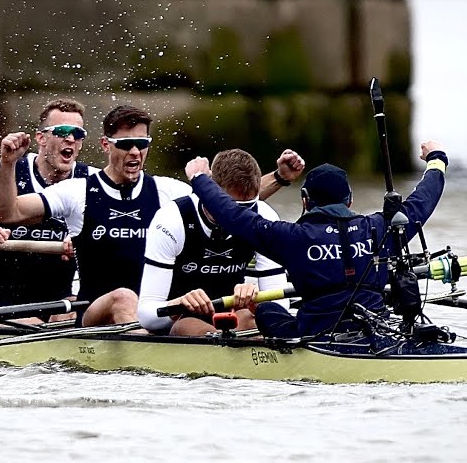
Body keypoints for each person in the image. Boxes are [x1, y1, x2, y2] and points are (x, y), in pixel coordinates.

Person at [0, 105, 305, 327]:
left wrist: (278, 177)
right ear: (105, 145)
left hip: (157, 311)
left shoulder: (166, 191)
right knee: (125, 298)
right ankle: (151, 349)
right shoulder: (78, 191)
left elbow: (226, 208)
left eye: (142, 144)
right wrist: (7, 164)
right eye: (126, 144)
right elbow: (7, 212)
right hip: (96, 312)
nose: (135, 153)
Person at [183, 141, 449, 339]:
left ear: (305, 201)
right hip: (376, 330)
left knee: (266, 312)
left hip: (316, 337)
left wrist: (200, 180)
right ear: (350, 201)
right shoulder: (381, 229)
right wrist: (437, 159)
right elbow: (421, 203)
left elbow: (233, 216)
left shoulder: (291, 237)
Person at [0, 98, 96, 311]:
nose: (70, 139)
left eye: (78, 134)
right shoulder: (0, 174)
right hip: (8, 305)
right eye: (62, 131)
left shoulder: (92, 183)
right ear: (41, 138)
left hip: (65, 305)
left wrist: (90, 243)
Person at [137, 148, 292, 336]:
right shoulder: (172, 220)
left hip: (232, 317)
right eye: (231, 207)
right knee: (186, 328)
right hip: (182, 320)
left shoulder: (264, 215)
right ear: (212, 193)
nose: (240, 217)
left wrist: (255, 301)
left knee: (252, 320)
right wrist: (180, 304)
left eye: (248, 207)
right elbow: (146, 316)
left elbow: (280, 306)